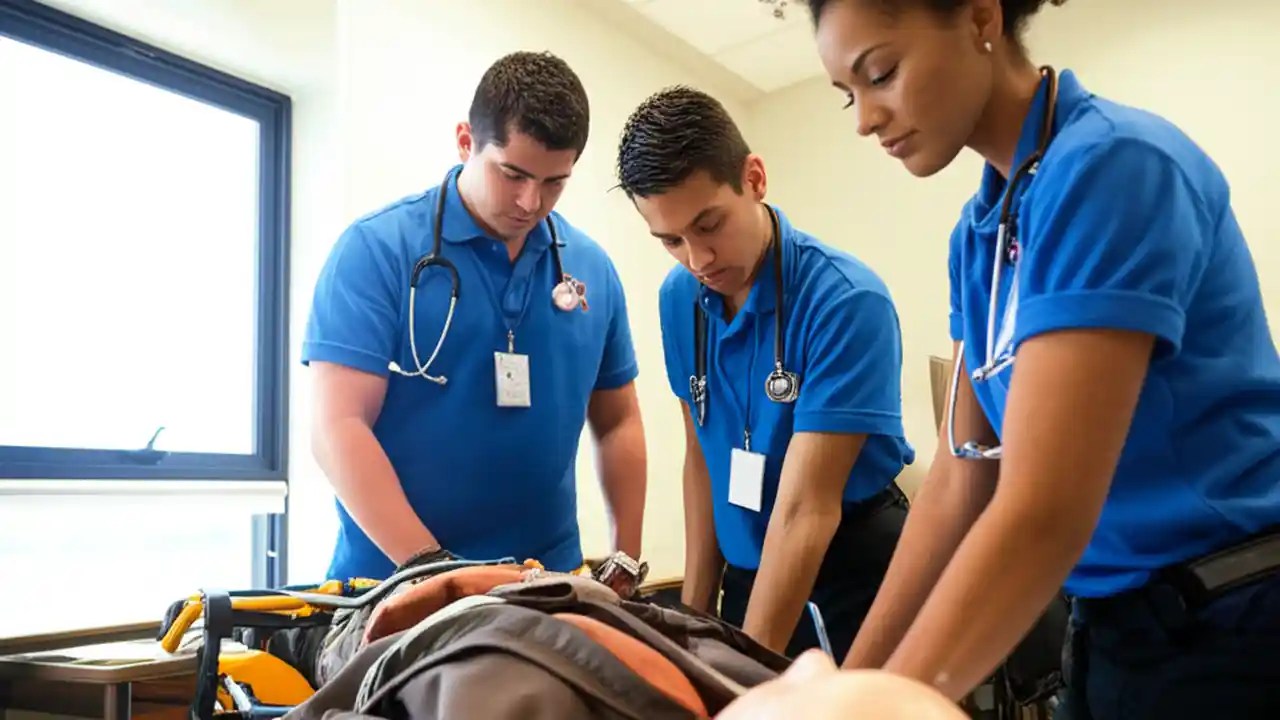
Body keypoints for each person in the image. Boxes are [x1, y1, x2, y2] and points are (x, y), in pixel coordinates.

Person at [804, 0, 1280, 717]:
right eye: (848, 95)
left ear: (979, 18)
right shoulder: (980, 236)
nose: (865, 118)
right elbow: (961, 480)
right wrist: (852, 680)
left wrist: (877, 703)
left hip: (1230, 619)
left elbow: (1043, 507)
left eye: (882, 74)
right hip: (1111, 626)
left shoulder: (1113, 165)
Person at [302, 51, 647, 582]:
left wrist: (624, 556)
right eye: (513, 174)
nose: (531, 202)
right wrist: (434, 573)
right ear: (466, 141)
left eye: (555, 182)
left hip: (546, 582)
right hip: (393, 583)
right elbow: (337, 427)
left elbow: (619, 420)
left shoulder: (591, 270)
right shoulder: (377, 250)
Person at [614, 86, 915, 661]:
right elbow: (700, 458)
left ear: (754, 178)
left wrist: (745, 672)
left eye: (709, 225)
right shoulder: (679, 299)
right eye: (670, 240)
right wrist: (694, 629)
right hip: (751, 569)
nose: (696, 259)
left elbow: (807, 510)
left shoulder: (846, 301)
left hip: (847, 570)